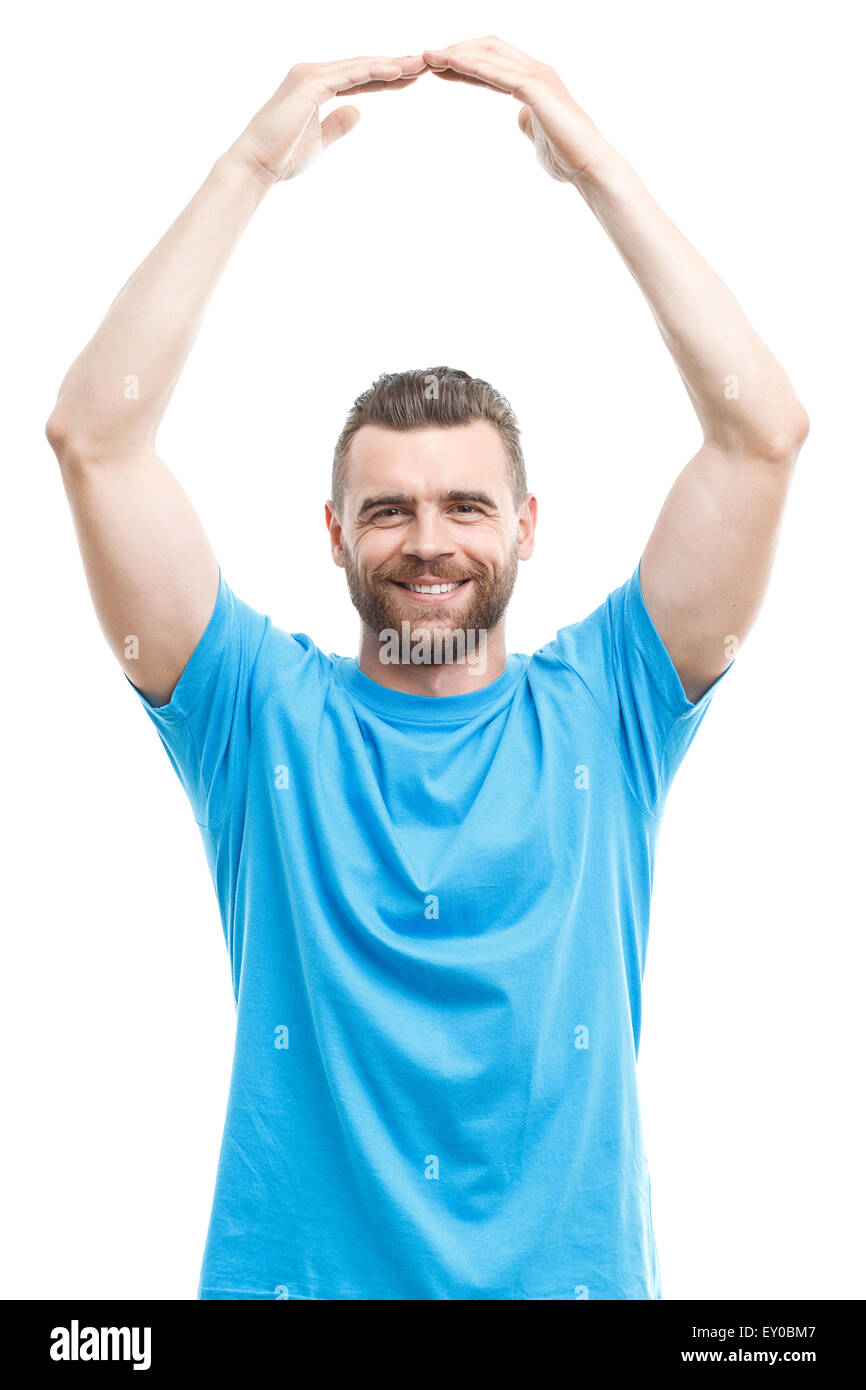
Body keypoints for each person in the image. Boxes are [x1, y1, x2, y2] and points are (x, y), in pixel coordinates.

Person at [45, 37, 809, 1300]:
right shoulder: (253, 713)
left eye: (464, 503)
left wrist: (593, 166)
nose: (428, 541)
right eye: (388, 509)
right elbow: (94, 437)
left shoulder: (610, 704)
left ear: (523, 527)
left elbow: (762, 435)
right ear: (336, 533)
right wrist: (250, 164)